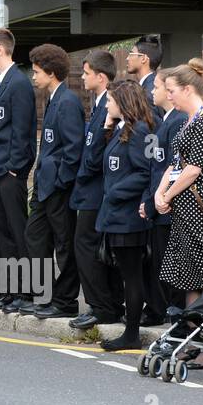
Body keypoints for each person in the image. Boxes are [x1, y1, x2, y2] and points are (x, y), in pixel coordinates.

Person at [155, 59, 203, 357]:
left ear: (187, 89)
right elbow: (175, 166)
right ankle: (193, 340)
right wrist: (160, 193)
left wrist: (168, 194)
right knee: (190, 275)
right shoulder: (190, 121)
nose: (168, 95)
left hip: (199, 209)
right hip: (184, 208)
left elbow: (193, 170)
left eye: (172, 90)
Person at [25, 43, 84, 319]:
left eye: (37, 72)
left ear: (51, 73)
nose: (33, 77)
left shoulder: (68, 102)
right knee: (35, 238)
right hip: (44, 187)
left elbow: (73, 149)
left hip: (59, 189)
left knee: (65, 246)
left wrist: (60, 182)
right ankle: (47, 294)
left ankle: (66, 301)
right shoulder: (52, 98)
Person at [97, 79, 156, 351]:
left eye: (110, 100)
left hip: (129, 217)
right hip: (117, 214)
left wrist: (115, 193)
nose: (107, 104)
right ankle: (129, 331)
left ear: (123, 102)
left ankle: (131, 334)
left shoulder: (140, 131)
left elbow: (145, 172)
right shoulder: (122, 128)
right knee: (127, 275)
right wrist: (107, 126)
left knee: (132, 277)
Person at [0, 27, 36, 309]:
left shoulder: (18, 82)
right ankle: (8, 289)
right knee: (0, 231)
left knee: (17, 230)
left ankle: (25, 291)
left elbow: (22, 129)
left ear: (0, 50)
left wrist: (15, 167)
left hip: (8, 170)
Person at [69, 50, 125, 329]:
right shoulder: (100, 104)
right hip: (91, 191)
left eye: (87, 73)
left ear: (100, 77)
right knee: (97, 250)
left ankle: (102, 306)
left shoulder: (109, 108)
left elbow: (95, 156)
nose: (82, 77)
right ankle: (107, 304)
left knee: (87, 248)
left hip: (96, 193)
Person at [141, 68, 187, 325]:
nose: (153, 92)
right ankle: (165, 309)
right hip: (158, 203)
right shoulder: (166, 121)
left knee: (169, 265)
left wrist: (159, 199)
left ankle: (175, 314)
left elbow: (173, 166)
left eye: (157, 87)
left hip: (168, 208)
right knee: (159, 262)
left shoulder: (178, 121)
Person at [125, 34, 164, 121]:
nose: (127, 58)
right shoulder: (150, 86)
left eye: (131, 53)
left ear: (143, 59)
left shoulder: (149, 92)